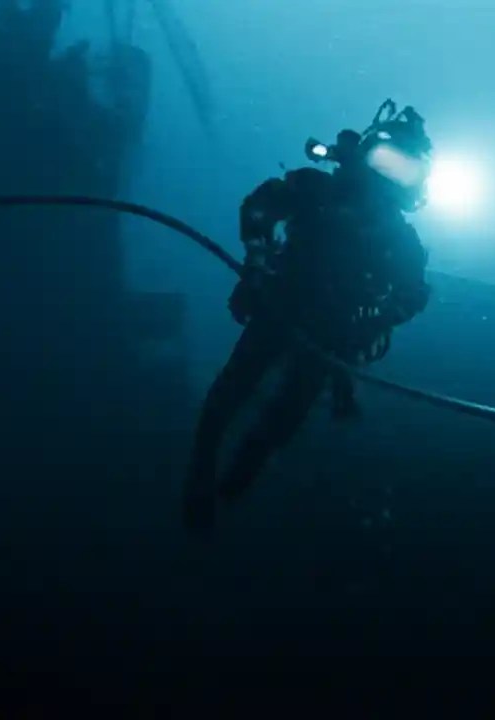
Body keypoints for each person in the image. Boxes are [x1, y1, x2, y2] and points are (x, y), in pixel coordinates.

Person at [183, 100, 434, 535]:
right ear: (365, 152)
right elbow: (260, 208)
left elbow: (413, 292)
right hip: (282, 305)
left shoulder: (398, 235)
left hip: (333, 333)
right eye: (382, 162)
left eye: (400, 170)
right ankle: (204, 476)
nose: (384, 177)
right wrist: (258, 258)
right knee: (232, 393)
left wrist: (373, 323)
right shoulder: (314, 189)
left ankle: (234, 484)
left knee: (284, 414)